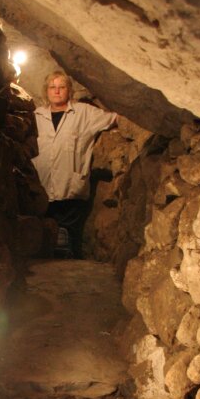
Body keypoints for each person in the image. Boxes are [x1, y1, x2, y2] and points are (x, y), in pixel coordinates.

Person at [32, 70, 117, 258]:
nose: (56, 91)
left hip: (71, 187)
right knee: (47, 238)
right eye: (52, 87)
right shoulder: (36, 116)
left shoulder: (84, 113)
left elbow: (113, 119)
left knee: (70, 237)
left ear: (69, 90)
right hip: (44, 186)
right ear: (46, 91)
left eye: (61, 87)